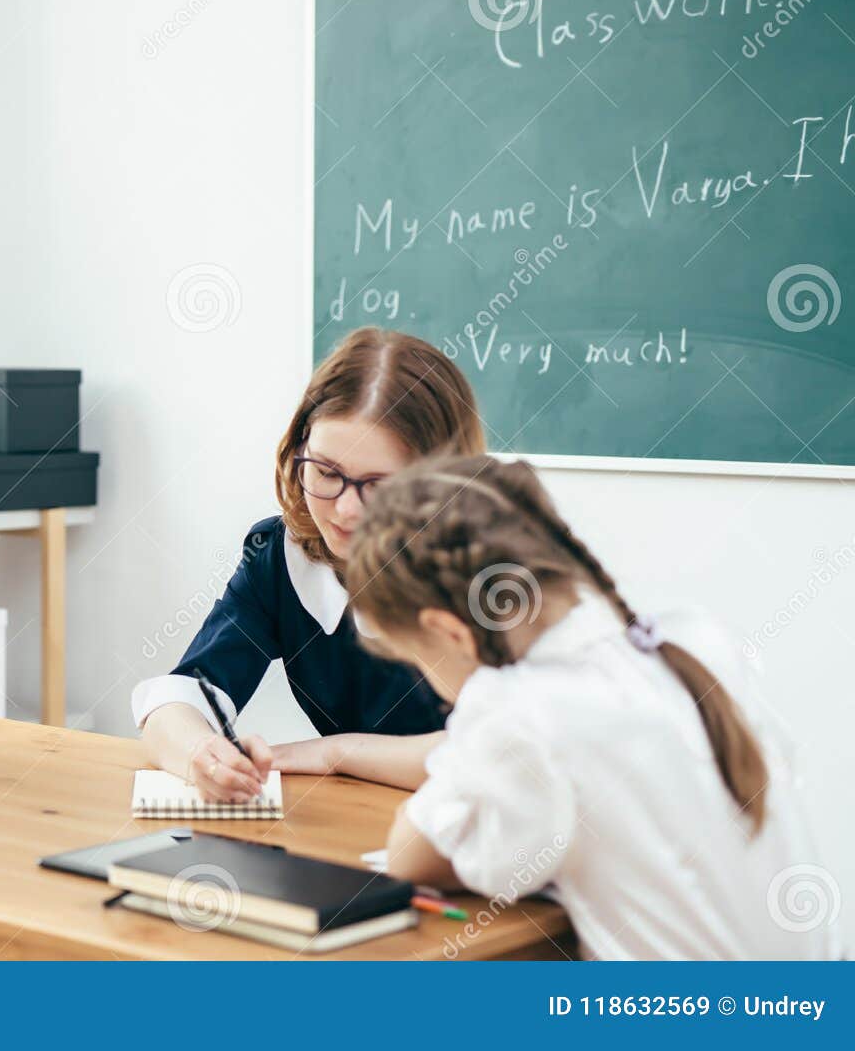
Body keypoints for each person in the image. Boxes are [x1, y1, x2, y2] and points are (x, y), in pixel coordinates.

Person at [344, 454, 840, 959]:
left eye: (419, 659)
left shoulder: (517, 709)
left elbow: (408, 856)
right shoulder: (693, 639)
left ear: (450, 632)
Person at [132, 328, 485, 800]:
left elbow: (505, 753)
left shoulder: (496, 573)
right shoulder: (280, 555)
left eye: (380, 486)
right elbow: (180, 698)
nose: (345, 511)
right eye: (325, 472)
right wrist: (201, 755)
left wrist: (335, 753)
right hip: (361, 822)